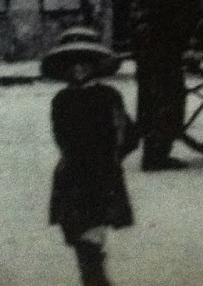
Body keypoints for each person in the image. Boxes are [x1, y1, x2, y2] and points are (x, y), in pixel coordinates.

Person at [44, 26, 139, 286]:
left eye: (84, 63)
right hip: (74, 176)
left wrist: (113, 155)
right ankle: (93, 274)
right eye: (72, 64)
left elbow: (129, 135)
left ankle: (94, 276)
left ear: (95, 65)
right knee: (78, 233)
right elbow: (61, 137)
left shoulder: (109, 97)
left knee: (91, 235)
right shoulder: (61, 100)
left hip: (100, 175)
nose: (78, 69)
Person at [130, 0, 203, 171]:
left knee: (150, 93)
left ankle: (152, 151)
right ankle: (157, 156)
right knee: (169, 93)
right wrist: (193, 41)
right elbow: (184, 4)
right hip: (161, 38)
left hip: (144, 35)